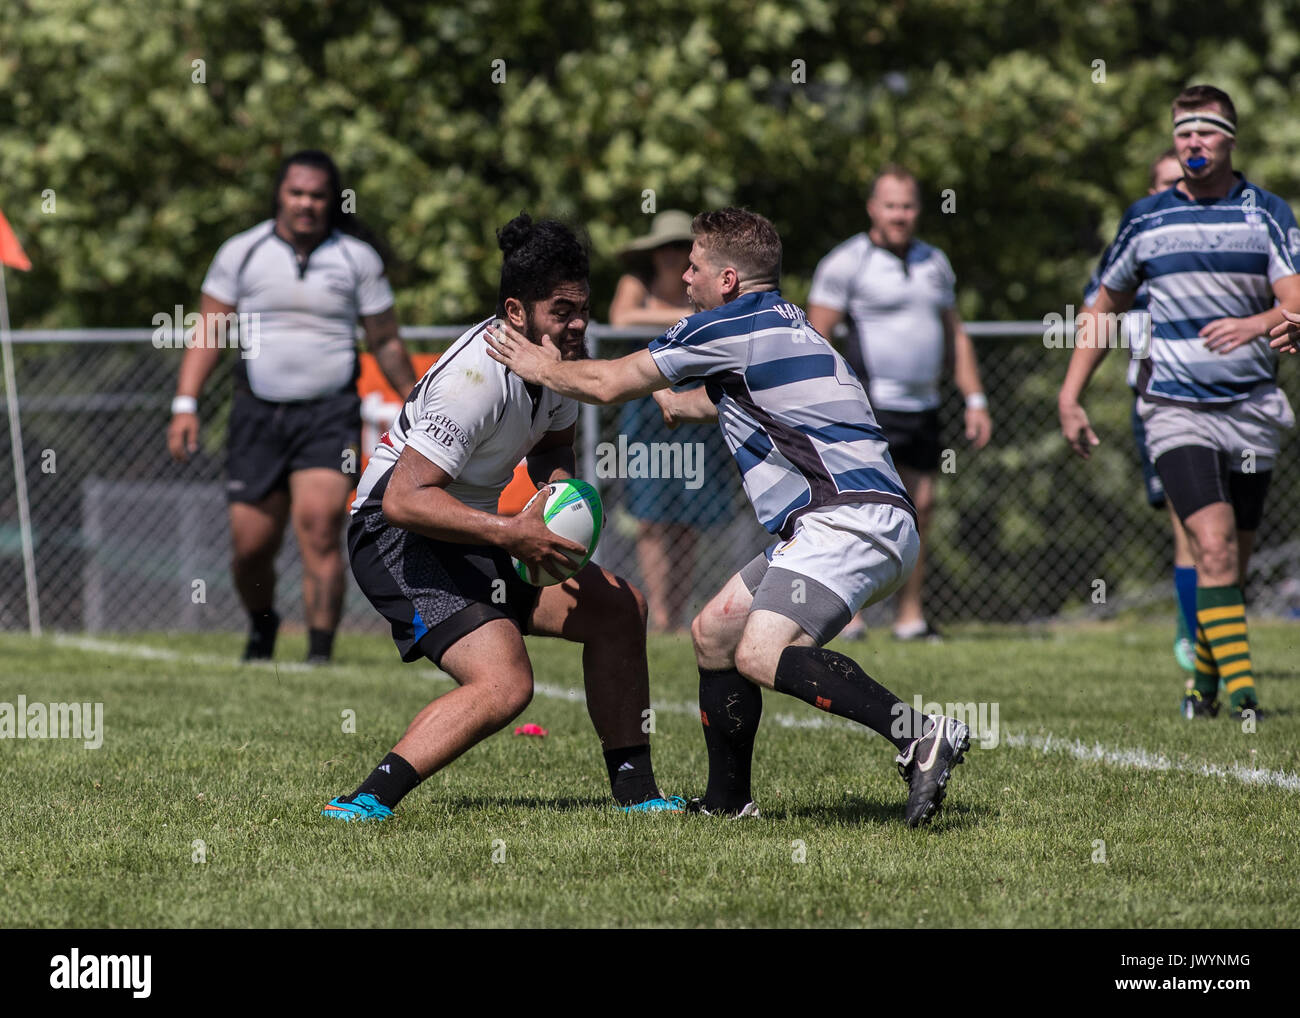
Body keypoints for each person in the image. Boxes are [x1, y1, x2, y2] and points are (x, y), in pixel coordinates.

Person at [487, 207, 972, 827]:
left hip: (844, 522)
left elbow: (608, 383)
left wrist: (541, 366)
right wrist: (669, 398)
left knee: (762, 654)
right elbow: (718, 404)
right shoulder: (785, 324)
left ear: (727, 281)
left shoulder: (728, 324)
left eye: (694, 267)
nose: (684, 279)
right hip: (856, 518)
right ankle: (727, 802)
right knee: (715, 632)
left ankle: (918, 735)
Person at [322, 213, 679, 821]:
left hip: (475, 525)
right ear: (516, 312)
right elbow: (404, 499)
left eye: (583, 308)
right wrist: (514, 533)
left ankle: (636, 793)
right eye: (562, 310)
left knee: (621, 608)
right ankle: (365, 801)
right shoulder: (475, 381)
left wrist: (559, 495)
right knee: (505, 685)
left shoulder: (558, 361)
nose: (577, 324)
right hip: (396, 533)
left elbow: (552, 450)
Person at [1058, 86, 1300, 721]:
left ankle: (1204, 682)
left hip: (1251, 410)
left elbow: (1296, 301)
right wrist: (1071, 392)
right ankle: (1246, 700)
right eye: (1184, 132)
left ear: (1231, 138)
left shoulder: (1266, 213)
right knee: (1212, 542)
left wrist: (1261, 323)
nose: (1194, 142)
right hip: (1173, 408)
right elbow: (1103, 304)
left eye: (1208, 131)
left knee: (1234, 560)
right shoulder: (1148, 218)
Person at [167, 150, 417, 664]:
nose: (306, 203)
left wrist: (417, 400)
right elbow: (209, 330)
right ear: (280, 195)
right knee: (250, 546)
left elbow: (386, 339)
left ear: (332, 200)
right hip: (257, 413)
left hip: (329, 414)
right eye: (296, 192)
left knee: (321, 524)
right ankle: (262, 629)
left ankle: (319, 654)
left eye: (318, 195)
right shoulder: (242, 251)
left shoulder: (356, 258)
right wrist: (185, 402)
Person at [808, 165, 992, 641]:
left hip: (924, 407)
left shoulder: (935, 262)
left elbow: (956, 334)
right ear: (873, 208)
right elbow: (817, 333)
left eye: (908, 205)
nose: (900, 214)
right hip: (867, 408)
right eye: (890, 205)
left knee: (922, 508)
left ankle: (910, 618)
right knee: (858, 511)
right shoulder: (846, 262)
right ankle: (848, 614)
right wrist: (829, 402)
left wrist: (975, 399)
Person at [1083, 150, 1200, 675]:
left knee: (1221, 528)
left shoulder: (1212, 240)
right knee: (1188, 522)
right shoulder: (1136, 241)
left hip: (1227, 398)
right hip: (1159, 396)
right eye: (1166, 183)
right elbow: (1098, 309)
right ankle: (1191, 634)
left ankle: (1208, 632)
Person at [609, 210, 730, 632]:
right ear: (653, 251)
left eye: (681, 248)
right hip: (644, 413)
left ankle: (675, 618)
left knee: (686, 521)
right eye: (665, 247)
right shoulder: (635, 286)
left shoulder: (703, 287)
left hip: (694, 408)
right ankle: (659, 614)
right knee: (649, 518)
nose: (672, 255)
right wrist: (684, 322)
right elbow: (620, 319)